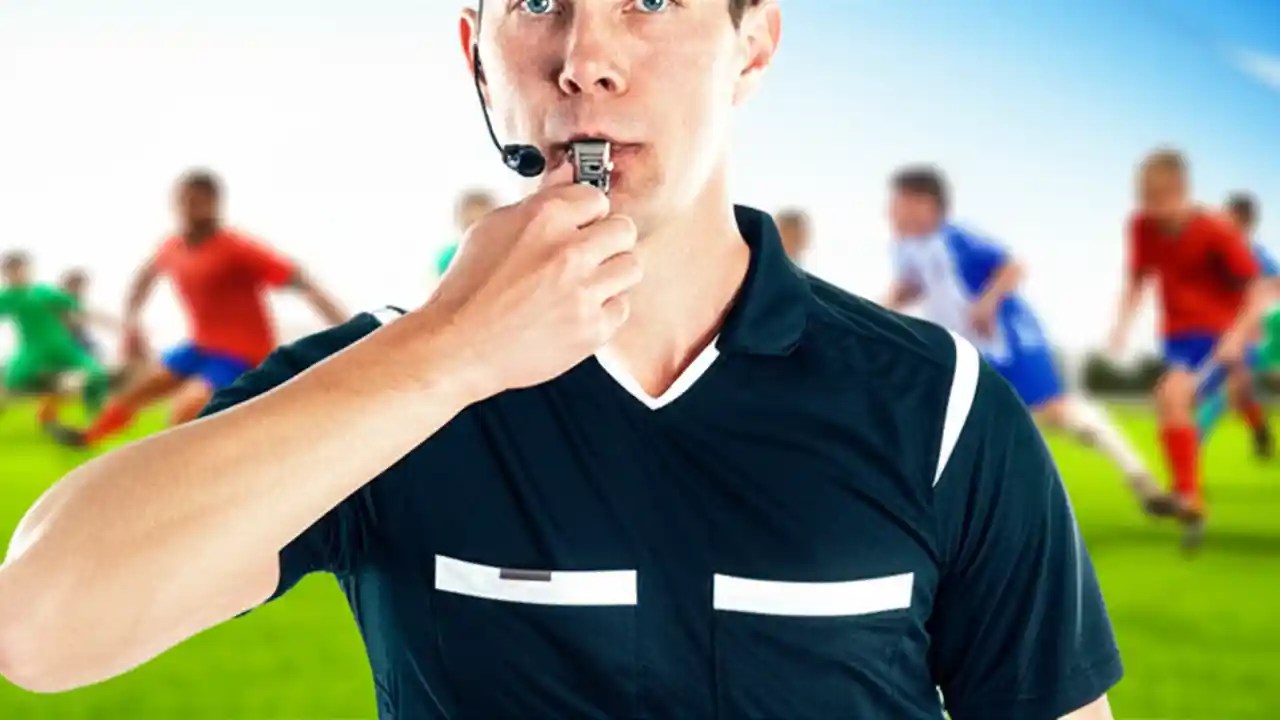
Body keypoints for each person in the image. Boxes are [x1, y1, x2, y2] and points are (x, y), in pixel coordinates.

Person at [0, 3, 1119, 718]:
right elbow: (38, 629)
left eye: (649, 1)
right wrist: (446, 355)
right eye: (537, 2)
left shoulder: (936, 405)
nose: (585, 58)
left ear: (752, 43)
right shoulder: (383, 383)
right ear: (475, 53)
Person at [882, 165, 1166, 515]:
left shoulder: (955, 237)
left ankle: (1139, 478)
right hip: (967, 348)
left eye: (898, 202)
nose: (891, 210)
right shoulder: (905, 247)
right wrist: (873, 312)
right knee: (964, 419)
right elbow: (910, 284)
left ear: (924, 204)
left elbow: (1013, 266)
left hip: (1007, 340)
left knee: (1054, 411)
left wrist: (987, 302)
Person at [47, 170, 349, 448]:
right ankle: (87, 437)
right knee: (140, 389)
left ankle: (170, 475)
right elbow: (143, 278)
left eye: (197, 201)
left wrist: (350, 330)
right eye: (183, 201)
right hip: (200, 346)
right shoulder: (173, 247)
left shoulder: (238, 249)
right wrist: (131, 324)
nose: (189, 208)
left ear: (214, 203)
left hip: (242, 353)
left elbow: (303, 281)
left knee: (186, 407)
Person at [1109, 150, 1267, 549]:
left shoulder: (1217, 231)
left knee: (1175, 395)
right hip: (1178, 339)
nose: (1152, 208)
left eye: (1160, 197)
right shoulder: (1143, 226)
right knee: (1169, 402)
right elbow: (1138, 277)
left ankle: (1189, 494)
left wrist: (1236, 337)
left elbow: (1258, 292)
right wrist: (1122, 324)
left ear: (1181, 191)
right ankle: (1190, 499)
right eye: (1145, 197)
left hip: (1221, 335)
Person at [1194, 192, 1277, 452]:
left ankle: (1192, 447)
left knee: (1223, 389)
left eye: (1228, 217)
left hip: (1248, 336)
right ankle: (1259, 430)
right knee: (1237, 392)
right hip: (1218, 333)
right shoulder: (1217, 252)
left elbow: (1270, 290)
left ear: (1244, 221)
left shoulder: (1259, 258)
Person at [0, 252, 110, 429]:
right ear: (5, 274)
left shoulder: (42, 292)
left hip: (61, 346)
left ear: (28, 270)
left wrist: (113, 323)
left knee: (96, 373)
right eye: (12, 271)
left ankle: (96, 418)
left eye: (21, 269)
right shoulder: (6, 298)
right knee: (12, 380)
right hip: (33, 349)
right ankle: (46, 392)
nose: (18, 274)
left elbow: (79, 308)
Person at [435, 189, 498, 278]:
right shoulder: (448, 257)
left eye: (482, 224)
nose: (475, 232)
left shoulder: (504, 251)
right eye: (470, 223)